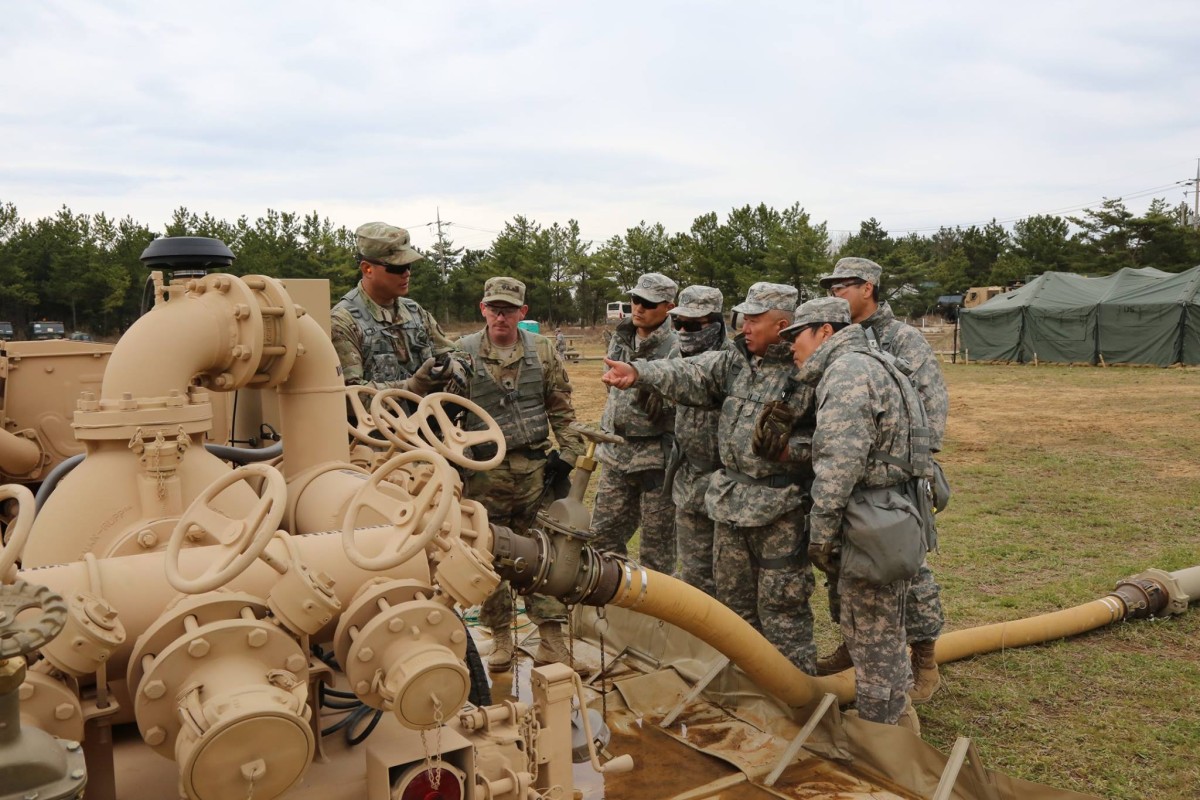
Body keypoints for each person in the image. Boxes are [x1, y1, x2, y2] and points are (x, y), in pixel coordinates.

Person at [601, 283, 817, 673]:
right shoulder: (735, 361)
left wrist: (791, 452)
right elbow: (689, 372)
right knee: (731, 607)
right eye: (743, 318)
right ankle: (739, 682)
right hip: (729, 504)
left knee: (782, 609)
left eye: (754, 320)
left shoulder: (807, 369)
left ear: (782, 325)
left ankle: (795, 692)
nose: (744, 326)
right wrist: (638, 372)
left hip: (779, 508)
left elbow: (833, 441)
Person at [814, 257, 950, 704]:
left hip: (896, 481)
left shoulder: (902, 338)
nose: (834, 294)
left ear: (867, 287)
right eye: (831, 288)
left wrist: (910, 469)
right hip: (852, 475)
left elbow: (930, 406)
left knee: (907, 568)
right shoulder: (835, 337)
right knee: (849, 565)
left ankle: (924, 658)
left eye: (842, 286)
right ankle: (855, 646)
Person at [781, 295, 918, 727]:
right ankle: (898, 714)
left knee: (868, 630)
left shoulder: (846, 373)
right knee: (887, 627)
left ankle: (880, 731)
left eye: (796, 335)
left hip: (868, 518)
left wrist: (821, 532)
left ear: (825, 331)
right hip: (893, 512)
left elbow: (839, 463)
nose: (791, 346)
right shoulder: (877, 363)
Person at [458, 277, 589, 672]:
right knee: (489, 554)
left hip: (535, 473)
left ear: (523, 313)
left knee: (544, 553)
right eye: (495, 309)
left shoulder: (543, 351)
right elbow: (446, 412)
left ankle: (552, 640)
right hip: (485, 474)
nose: (501, 317)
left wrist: (568, 455)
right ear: (483, 309)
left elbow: (562, 409)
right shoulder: (462, 353)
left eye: (509, 310)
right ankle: (501, 638)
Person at [591, 273, 679, 573]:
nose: (638, 308)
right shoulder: (621, 336)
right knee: (601, 541)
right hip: (615, 452)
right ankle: (610, 599)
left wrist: (666, 401)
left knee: (657, 552)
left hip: (656, 461)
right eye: (635, 300)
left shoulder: (678, 346)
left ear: (669, 307)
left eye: (649, 303)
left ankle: (656, 605)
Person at [331, 221, 464, 393]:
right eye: (398, 268)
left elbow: (455, 354)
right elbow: (348, 393)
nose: (407, 273)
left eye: (408, 266)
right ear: (367, 268)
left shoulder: (415, 312)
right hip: (378, 412)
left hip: (427, 410)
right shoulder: (342, 322)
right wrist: (410, 387)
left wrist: (455, 368)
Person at [664, 286, 729, 598]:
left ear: (715, 323)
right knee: (693, 574)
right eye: (678, 323)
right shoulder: (674, 357)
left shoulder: (733, 361)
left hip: (725, 485)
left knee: (729, 579)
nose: (682, 331)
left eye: (692, 325)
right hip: (689, 481)